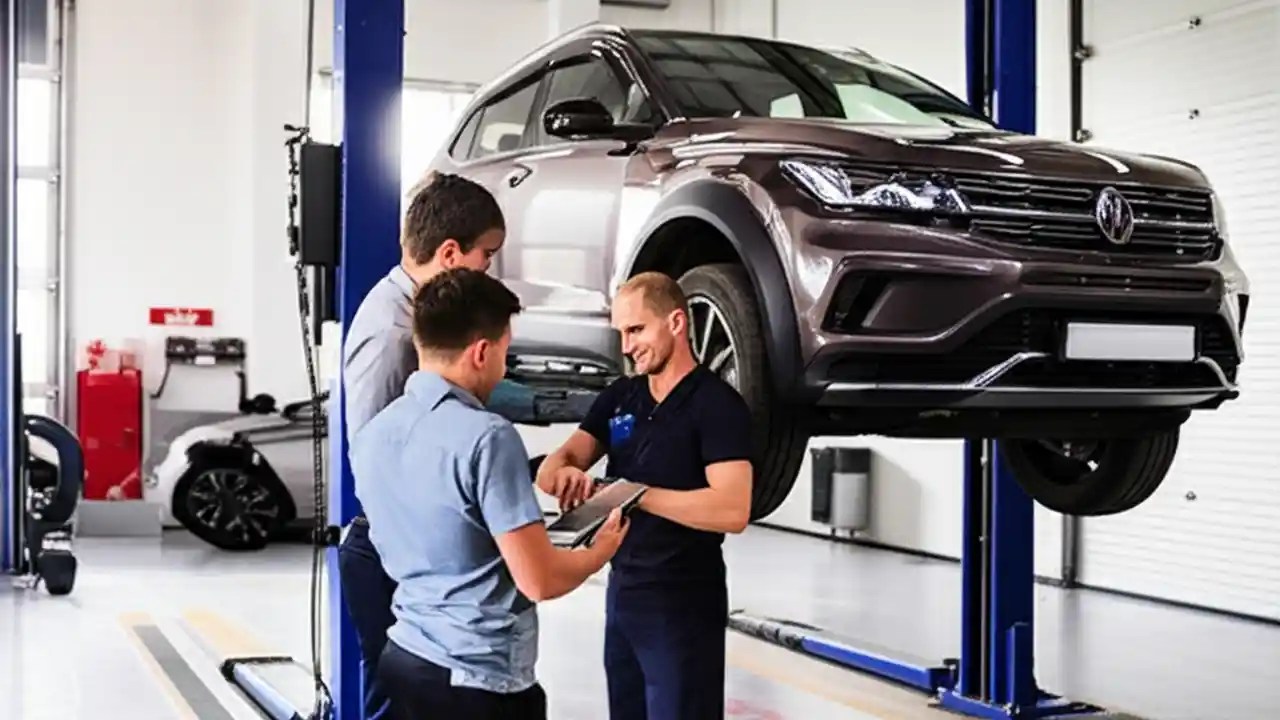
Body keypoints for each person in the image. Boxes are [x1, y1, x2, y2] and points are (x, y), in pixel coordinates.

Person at [351, 268, 630, 719]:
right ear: (481, 352)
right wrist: (602, 549)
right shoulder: (488, 436)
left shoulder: (374, 435)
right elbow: (539, 579)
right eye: (505, 352)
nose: (504, 366)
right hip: (479, 680)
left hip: (405, 656)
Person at [535, 271, 755, 720]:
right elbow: (554, 466)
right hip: (623, 593)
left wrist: (632, 495)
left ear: (676, 323)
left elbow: (732, 508)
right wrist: (566, 476)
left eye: (636, 330)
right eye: (620, 333)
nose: (627, 346)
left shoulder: (717, 406)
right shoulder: (622, 398)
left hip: (684, 601)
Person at [337, 171, 507, 719]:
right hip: (392, 551)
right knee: (400, 704)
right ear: (452, 252)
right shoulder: (392, 333)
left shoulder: (426, 316)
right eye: (488, 254)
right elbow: (374, 458)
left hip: (405, 548)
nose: (490, 268)